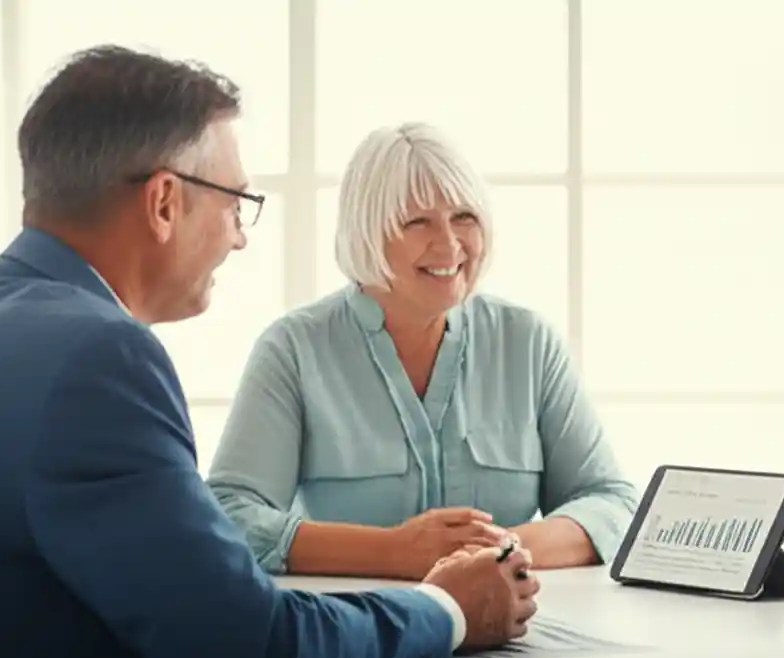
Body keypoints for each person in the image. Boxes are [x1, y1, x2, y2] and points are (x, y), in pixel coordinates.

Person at [0, 45, 538, 658]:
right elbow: (252, 655)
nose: (239, 238)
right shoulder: (102, 362)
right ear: (164, 202)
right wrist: (446, 607)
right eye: (237, 203)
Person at [207, 122, 639, 580]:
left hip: (516, 618)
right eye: (417, 222)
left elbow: (611, 504)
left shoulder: (528, 342)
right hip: (355, 621)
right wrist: (392, 552)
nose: (450, 244)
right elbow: (231, 516)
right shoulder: (294, 350)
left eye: (464, 217)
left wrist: (498, 550)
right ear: (366, 232)